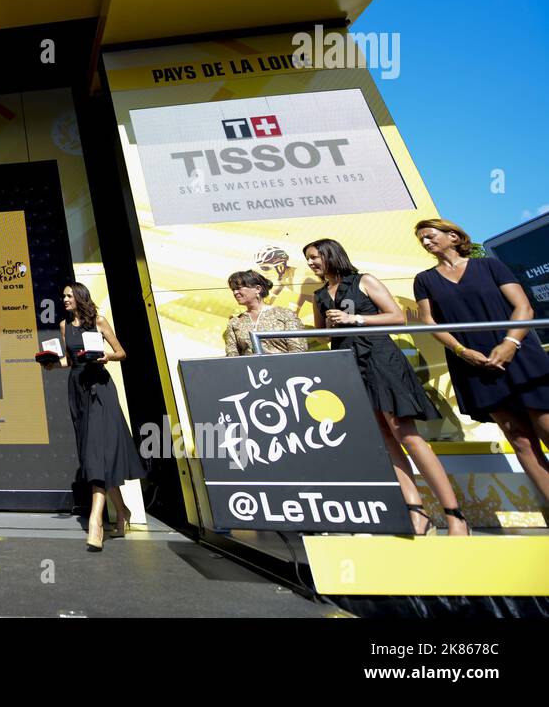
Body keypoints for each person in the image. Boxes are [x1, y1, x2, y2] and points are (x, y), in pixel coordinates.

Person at [305, 239, 468, 536]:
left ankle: (454, 514)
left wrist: (355, 318)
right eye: (308, 259)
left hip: (381, 358)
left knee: (405, 433)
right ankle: (416, 511)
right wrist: (327, 326)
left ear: (331, 255)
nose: (311, 263)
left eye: (315, 257)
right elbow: (324, 335)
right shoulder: (319, 295)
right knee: (383, 437)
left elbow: (397, 316)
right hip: (349, 364)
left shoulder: (364, 280)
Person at [413, 217, 549, 510]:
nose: (425, 242)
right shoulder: (424, 279)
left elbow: (523, 306)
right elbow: (428, 322)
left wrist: (510, 344)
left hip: (521, 355)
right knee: (520, 439)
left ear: (452, 236)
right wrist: (463, 352)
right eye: (421, 239)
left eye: (430, 235)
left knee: (546, 426)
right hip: (474, 365)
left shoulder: (489, 265)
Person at [44, 282, 145, 550]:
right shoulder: (66, 326)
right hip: (77, 390)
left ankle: (95, 522)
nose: (63, 299)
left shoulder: (99, 321)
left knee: (96, 453)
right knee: (94, 454)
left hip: (100, 388)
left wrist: (107, 357)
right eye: (63, 296)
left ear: (79, 297)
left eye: (68, 295)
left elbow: (121, 352)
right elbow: (69, 360)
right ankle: (122, 511)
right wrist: (53, 365)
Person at [222, 270, 306, 357]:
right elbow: (232, 356)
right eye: (233, 290)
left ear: (258, 289)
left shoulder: (285, 314)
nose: (235, 293)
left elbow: (298, 350)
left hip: (284, 367)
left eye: (239, 288)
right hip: (250, 369)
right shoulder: (235, 322)